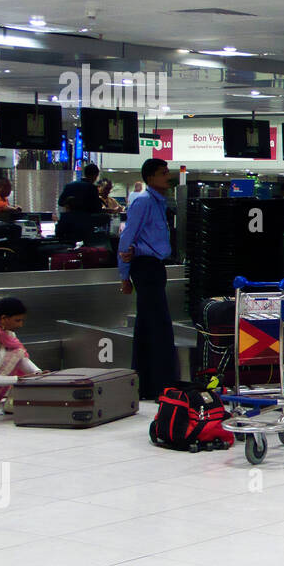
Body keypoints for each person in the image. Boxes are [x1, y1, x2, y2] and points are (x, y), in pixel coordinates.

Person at [118, 158, 178, 400]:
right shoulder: (143, 201)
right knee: (158, 326)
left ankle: (146, 384)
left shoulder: (159, 203)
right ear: (150, 178)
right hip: (145, 268)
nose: (168, 177)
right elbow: (127, 238)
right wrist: (124, 275)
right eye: (163, 173)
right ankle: (160, 385)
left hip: (155, 267)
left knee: (147, 326)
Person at [57, 162, 104, 243]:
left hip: (67, 225)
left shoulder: (69, 186)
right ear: (95, 176)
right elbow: (97, 209)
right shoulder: (91, 188)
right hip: (84, 226)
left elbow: (60, 202)